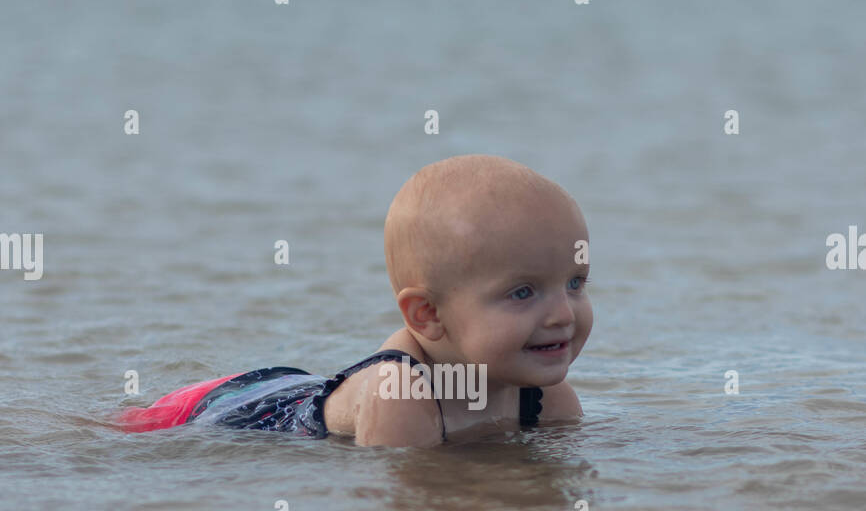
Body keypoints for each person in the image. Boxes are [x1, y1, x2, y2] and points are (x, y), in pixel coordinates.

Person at [118, 154, 592, 447]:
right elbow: (403, 503)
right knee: (117, 432)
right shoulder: (402, 396)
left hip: (304, 384)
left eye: (575, 282)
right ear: (428, 316)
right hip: (241, 409)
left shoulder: (546, 394)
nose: (562, 314)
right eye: (523, 292)